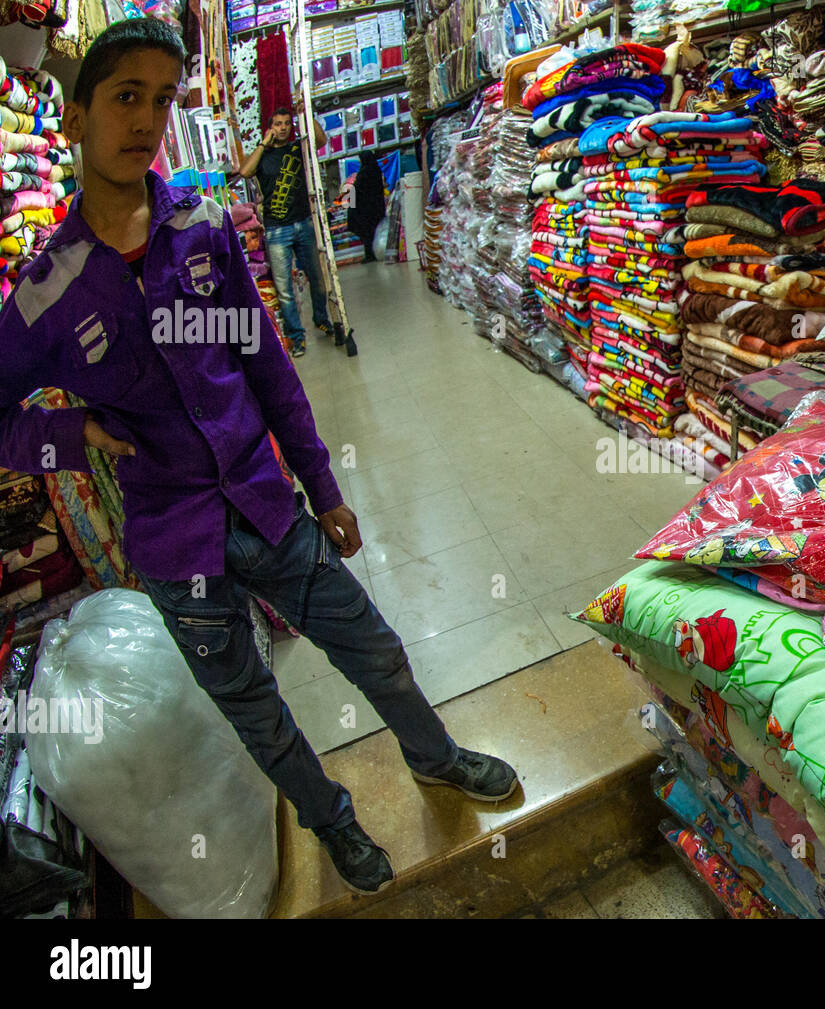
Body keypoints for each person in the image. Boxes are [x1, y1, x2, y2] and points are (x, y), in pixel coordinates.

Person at [0, 17, 518, 897]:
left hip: (268, 504)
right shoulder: (51, 288)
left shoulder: (200, 229)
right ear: (78, 112)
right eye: (126, 97)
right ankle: (335, 824)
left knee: (375, 650)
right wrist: (73, 435)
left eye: (162, 101)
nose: (146, 121)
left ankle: (435, 756)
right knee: (256, 712)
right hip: (174, 542)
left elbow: (268, 368)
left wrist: (323, 484)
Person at [237, 102, 331, 357]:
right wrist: (263, 143)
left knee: (318, 280)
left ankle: (321, 318)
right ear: (269, 128)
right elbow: (245, 171)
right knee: (284, 289)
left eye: (286, 124)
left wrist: (305, 114)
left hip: (303, 223)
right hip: (277, 230)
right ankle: (297, 338)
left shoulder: (296, 148)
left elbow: (320, 141)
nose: (282, 128)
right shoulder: (262, 156)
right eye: (277, 124)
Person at [347, 150, 387, 263]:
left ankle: (370, 255)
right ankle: (375, 253)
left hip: (364, 211)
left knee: (366, 234)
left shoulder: (364, 172)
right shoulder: (376, 171)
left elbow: (356, 190)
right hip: (375, 208)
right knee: (374, 232)